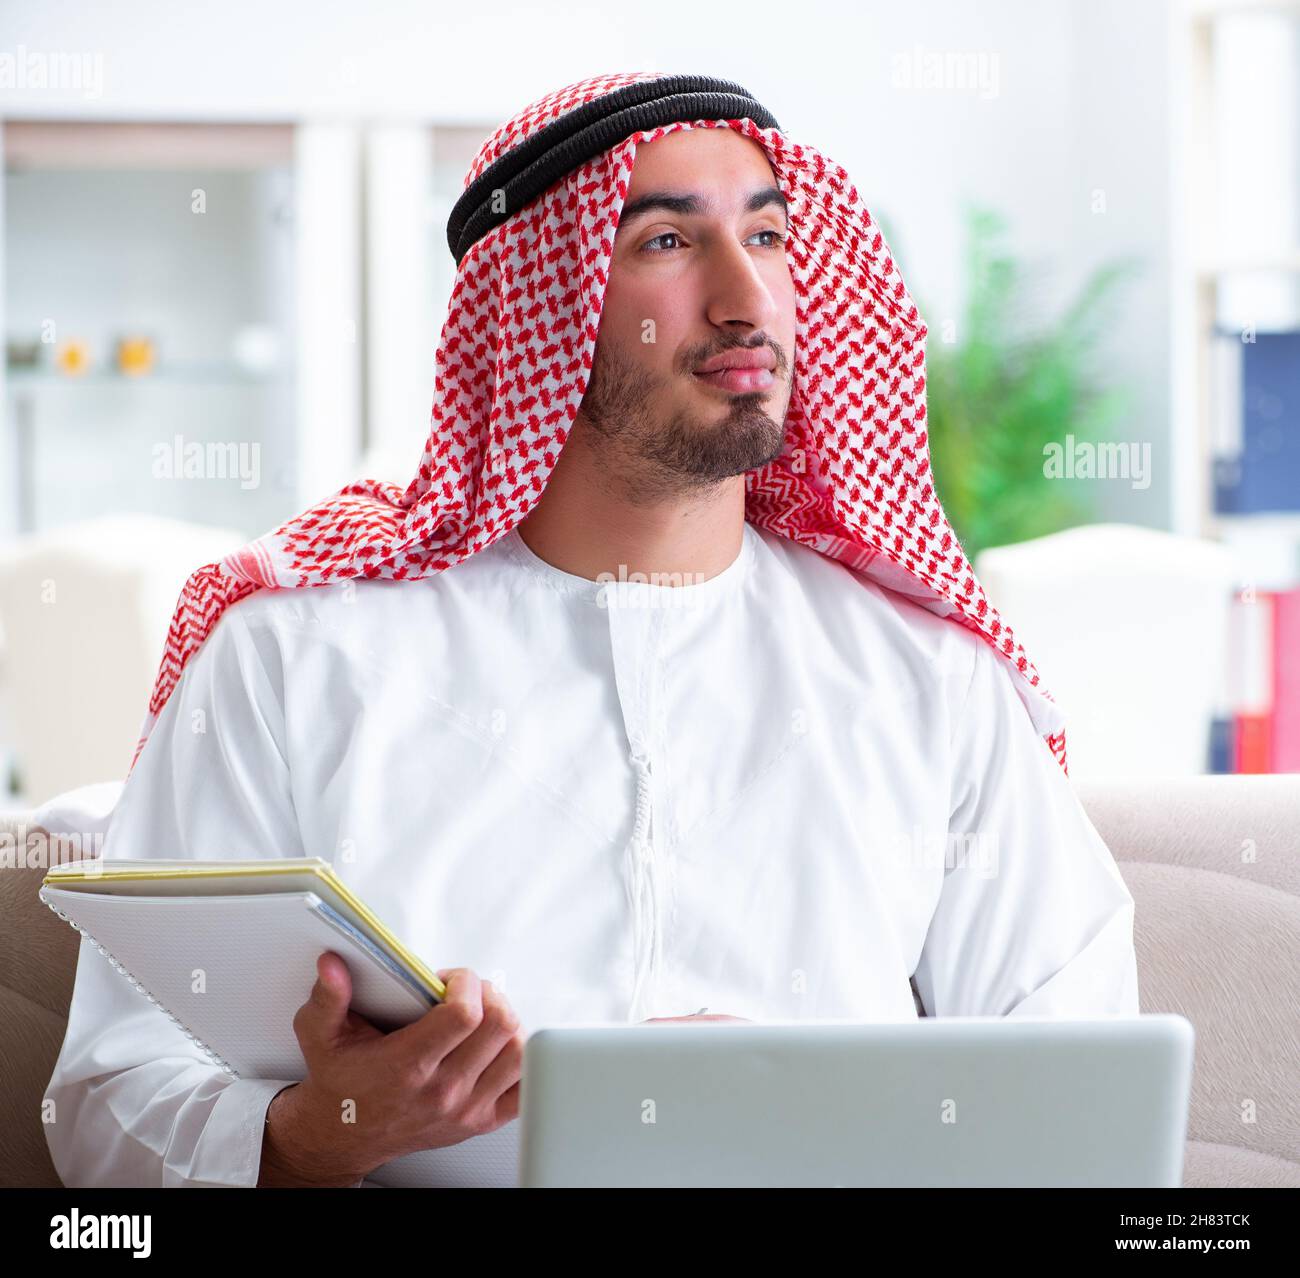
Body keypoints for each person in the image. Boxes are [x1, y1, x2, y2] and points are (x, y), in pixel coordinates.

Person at [40, 72, 1138, 1190]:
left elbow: (1083, 1086)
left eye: (767, 233)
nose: (743, 295)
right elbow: (110, 1103)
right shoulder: (292, 665)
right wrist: (329, 1133)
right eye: (666, 239)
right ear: (539, 303)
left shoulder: (927, 681)